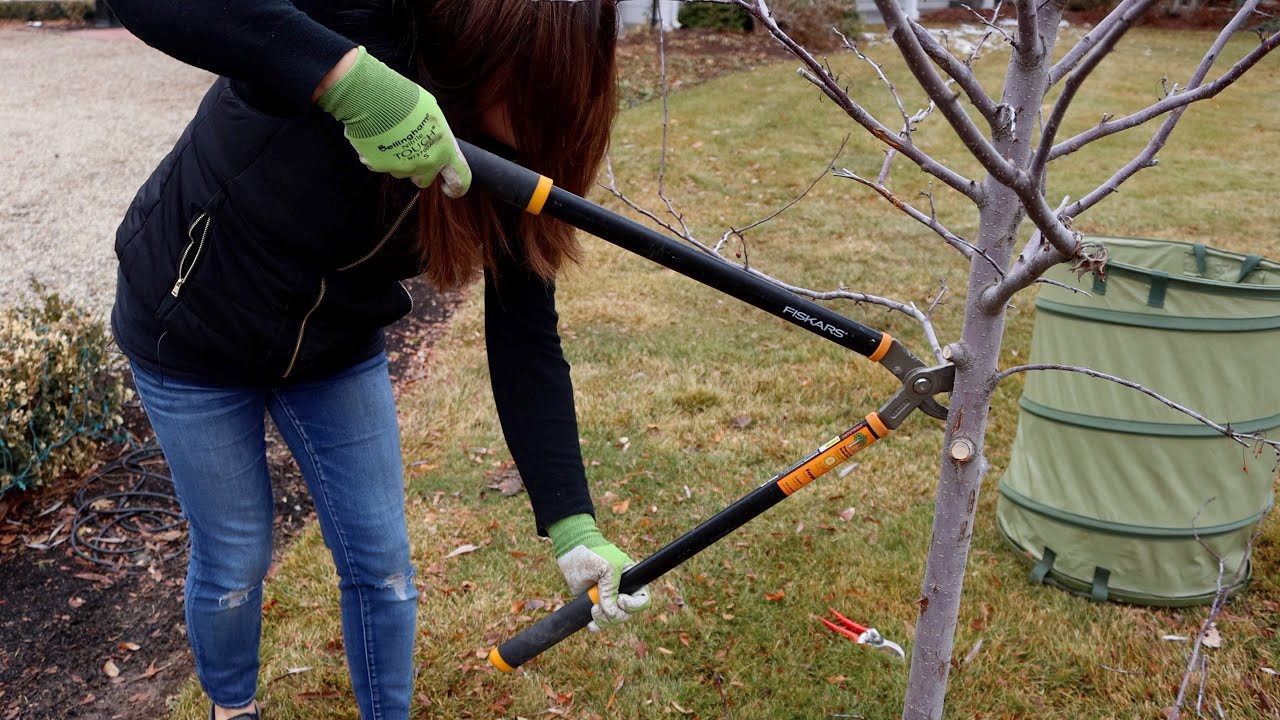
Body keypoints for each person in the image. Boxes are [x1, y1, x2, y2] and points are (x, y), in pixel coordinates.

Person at [104, 2, 650, 719]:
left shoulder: (518, 147)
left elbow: (525, 337)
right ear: (495, 39)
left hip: (334, 342)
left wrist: (573, 524)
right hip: (193, 327)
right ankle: (231, 708)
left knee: (383, 566)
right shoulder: (371, 16)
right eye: (540, 78)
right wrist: (342, 76)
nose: (551, 108)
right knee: (236, 558)